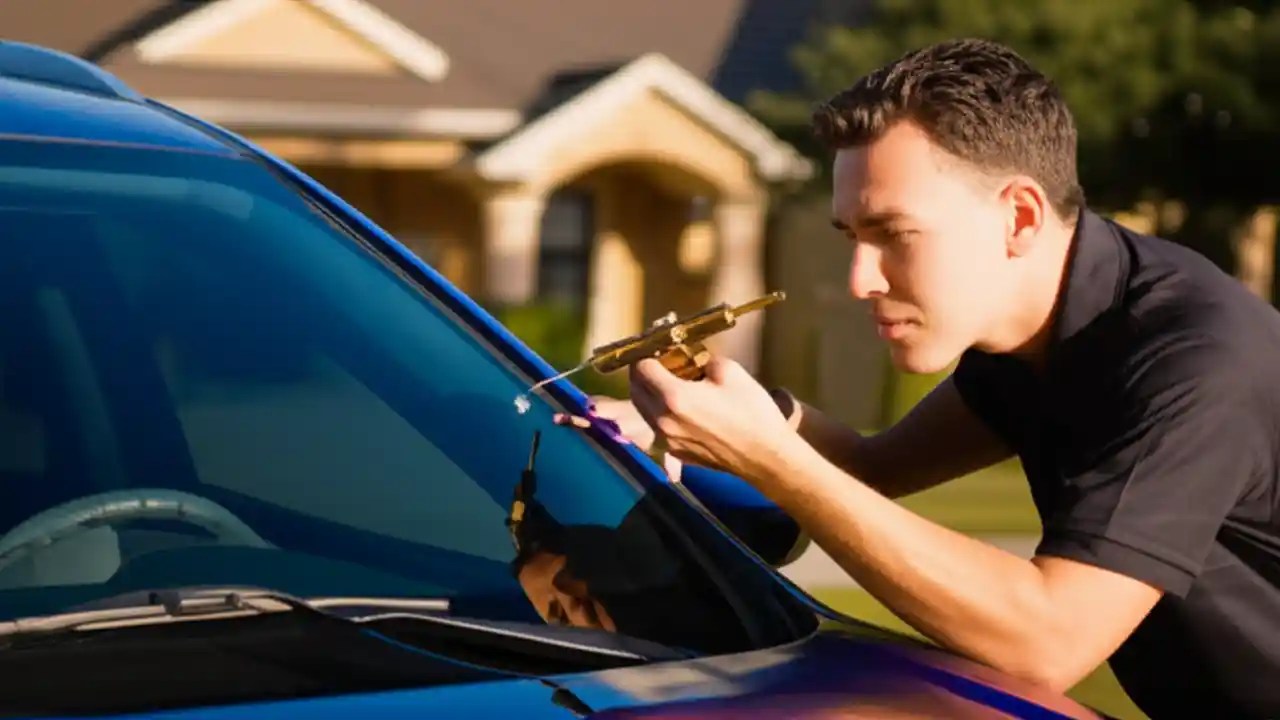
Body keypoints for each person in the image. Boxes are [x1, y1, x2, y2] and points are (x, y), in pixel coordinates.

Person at [558, 38, 1280, 718]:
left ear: (1019, 217)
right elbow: (875, 467)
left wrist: (772, 461)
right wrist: (700, 411)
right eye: (851, 238)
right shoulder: (1036, 337)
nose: (860, 280)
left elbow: (1048, 640)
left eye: (894, 235)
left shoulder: (1190, 361)